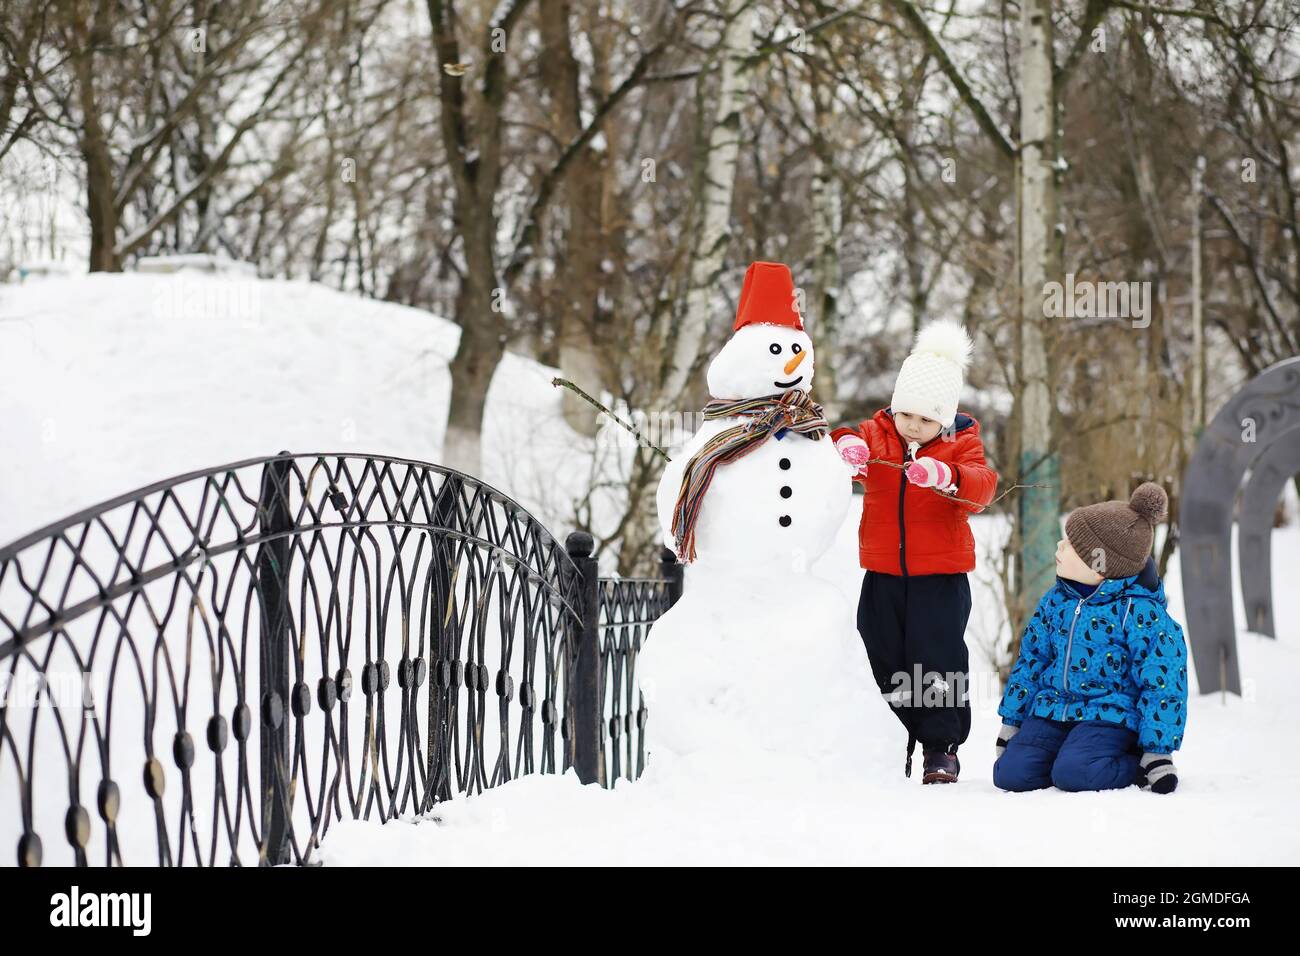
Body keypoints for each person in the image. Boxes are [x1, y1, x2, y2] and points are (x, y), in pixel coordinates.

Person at [832, 321, 997, 783]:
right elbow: (844, 438)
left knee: (936, 658)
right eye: (907, 415)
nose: (914, 426)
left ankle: (940, 746)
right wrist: (846, 446)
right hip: (883, 574)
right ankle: (892, 738)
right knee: (880, 649)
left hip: (940, 578)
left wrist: (945, 477)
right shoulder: (879, 434)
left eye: (926, 419)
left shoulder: (960, 443)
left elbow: (982, 487)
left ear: (944, 417)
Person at [993, 483, 1187, 794]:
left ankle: (1133, 763)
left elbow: (1164, 681)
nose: (1059, 546)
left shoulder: (1139, 612)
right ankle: (1066, 754)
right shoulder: (1057, 601)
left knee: (1075, 773)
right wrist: (1012, 720)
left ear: (1099, 565)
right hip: (1053, 709)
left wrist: (1157, 749)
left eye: (1070, 544)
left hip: (1110, 715)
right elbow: (1032, 660)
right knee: (1010, 774)